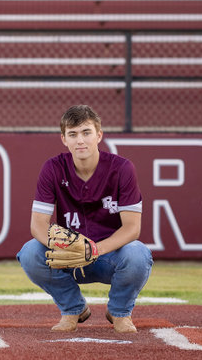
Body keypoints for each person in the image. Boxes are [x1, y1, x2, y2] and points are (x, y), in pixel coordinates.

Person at [16, 105, 154, 333]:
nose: (80, 140)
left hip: (109, 254)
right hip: (69, 254)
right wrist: (60, 246)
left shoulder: (122, 168)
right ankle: (73, 309)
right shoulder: (53, 168)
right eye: (73, 134)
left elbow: (132, 228)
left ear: (99, 135)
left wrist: (93, 250)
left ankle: (119, 312)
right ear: (64, 139)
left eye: (86, 132)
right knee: (30, 253)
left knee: (138, 254)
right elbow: (38, 224)